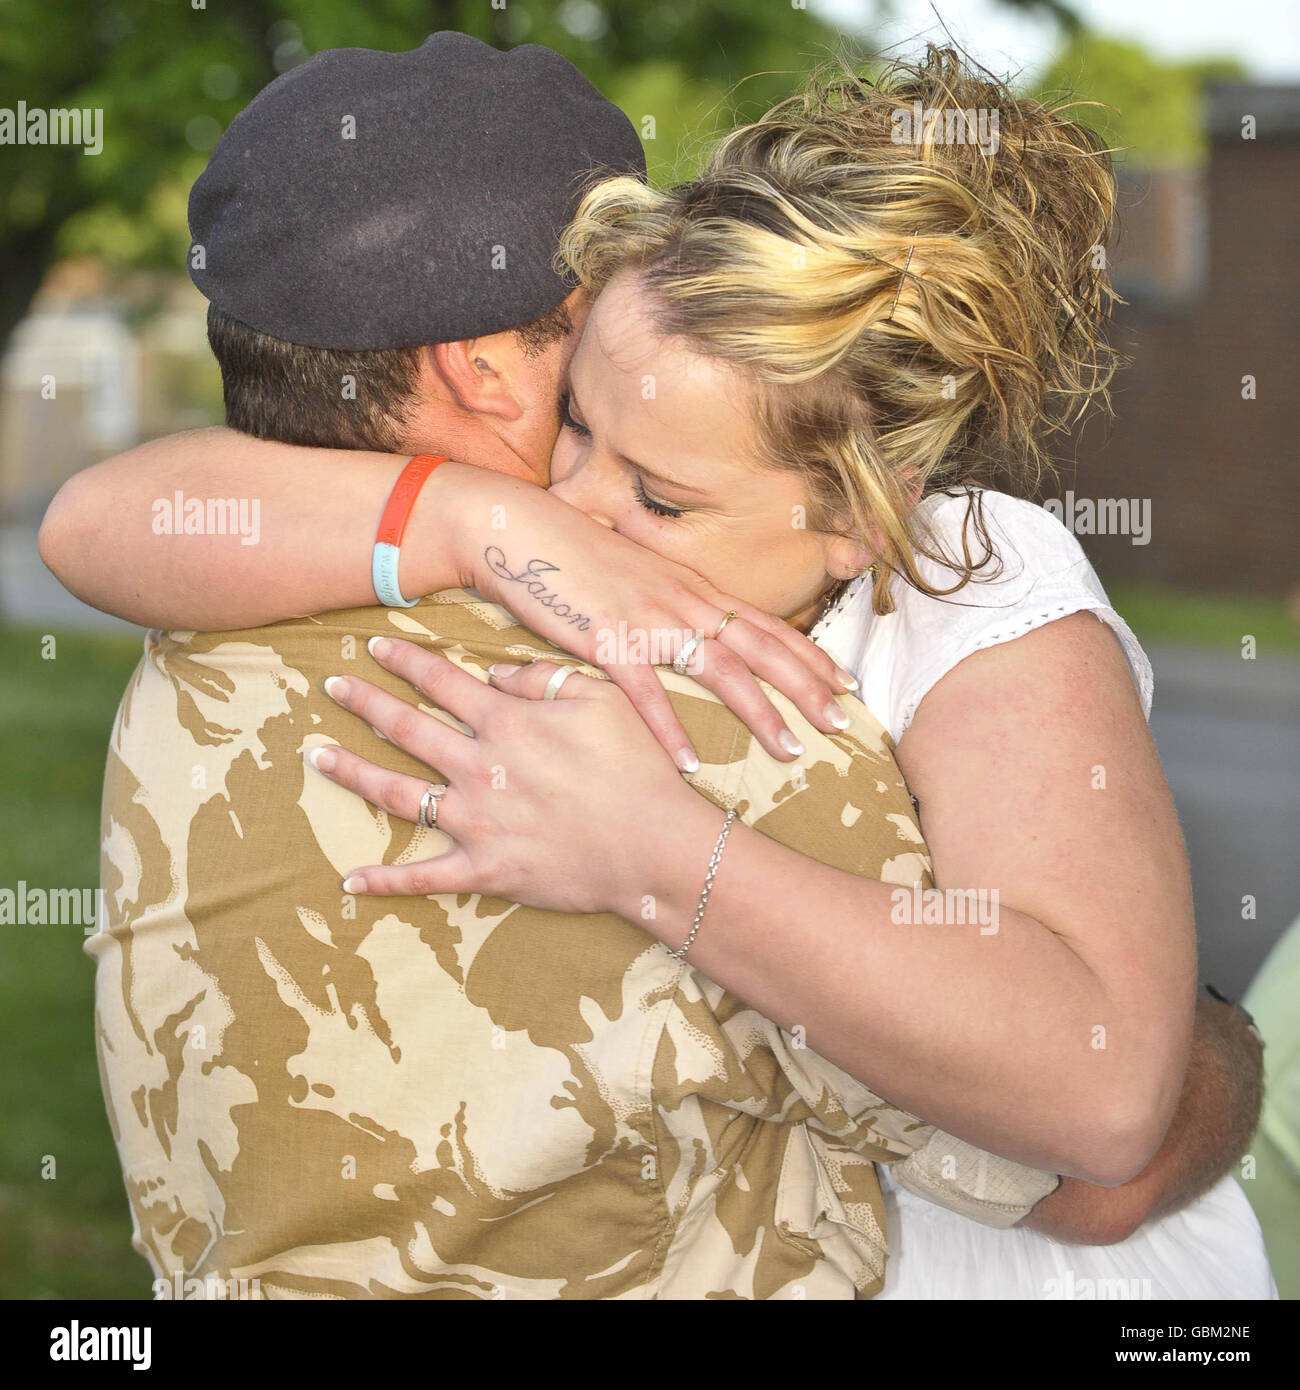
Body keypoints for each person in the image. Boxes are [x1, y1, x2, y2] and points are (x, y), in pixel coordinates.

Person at [42, 43, 1273, 1298]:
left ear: (864, 513)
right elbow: (92, 522)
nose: (581, 504)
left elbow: (1107, 1117)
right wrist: (483, 516)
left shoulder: (965, 576)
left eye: (663, 498)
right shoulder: (538, 566)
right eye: (576, 422)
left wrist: (660, 856)